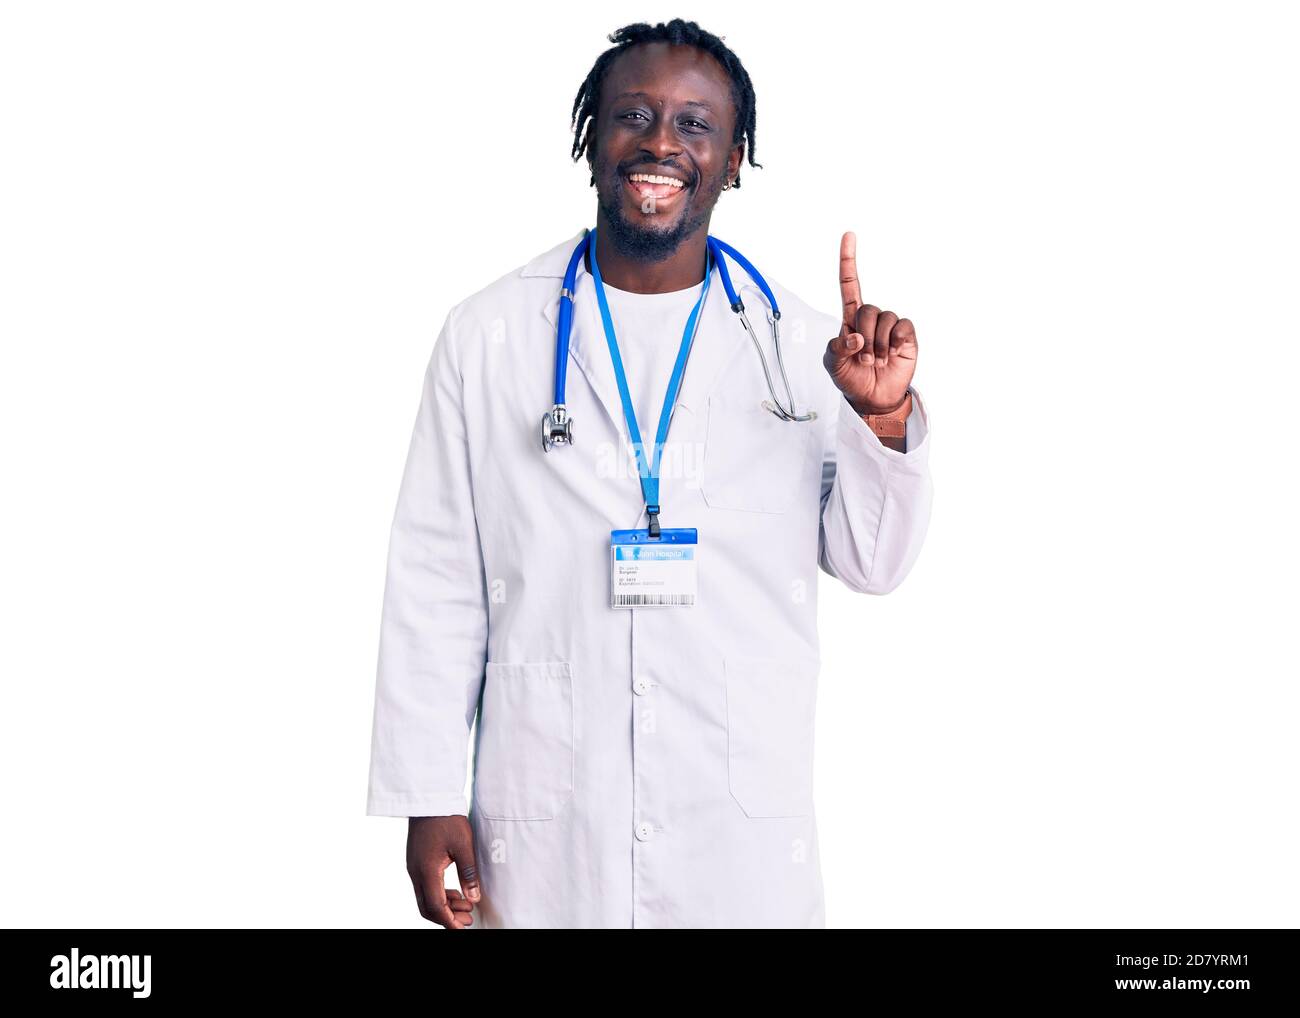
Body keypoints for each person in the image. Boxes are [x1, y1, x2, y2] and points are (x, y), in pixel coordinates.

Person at [365, 18, 934, 929]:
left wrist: (882, 415)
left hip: (738, 840)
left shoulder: (797, 346)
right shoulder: (488, 336)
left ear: (737, 159)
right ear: (591, 140)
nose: (663, 143)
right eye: (633, 114)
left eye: (696, 124)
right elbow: (436, 580)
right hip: (551, 827)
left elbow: (874, 563)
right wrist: (428, 791)